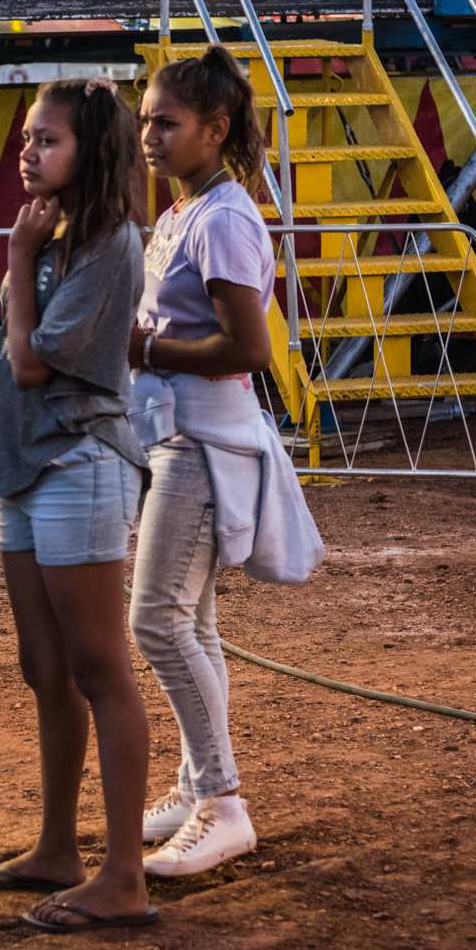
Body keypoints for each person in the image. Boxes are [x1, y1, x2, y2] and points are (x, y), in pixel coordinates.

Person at [0, 77, 158, 933]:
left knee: (99, 666)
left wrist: (13, 269)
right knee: (45, 666)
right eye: (28, 138)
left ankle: (124, 874)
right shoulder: (63, 234)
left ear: (91, 150)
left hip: (78, 458)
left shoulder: (107, 242)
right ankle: (57, 848)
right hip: (31, 463)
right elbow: (23, 344)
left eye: (47, 141)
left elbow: (39, 366)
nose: (28, 152)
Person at [127, 45, 315, 877]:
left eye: (166, 123)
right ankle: (197, 784)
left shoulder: (225, 218)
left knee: (157, 620)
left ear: (216, 128)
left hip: (205, 441)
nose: (150, 138)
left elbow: (247, 345)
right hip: (180, 436)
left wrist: (143, 346)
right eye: (144, 124)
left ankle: (224, 801)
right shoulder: (182, 214)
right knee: (190, 622)